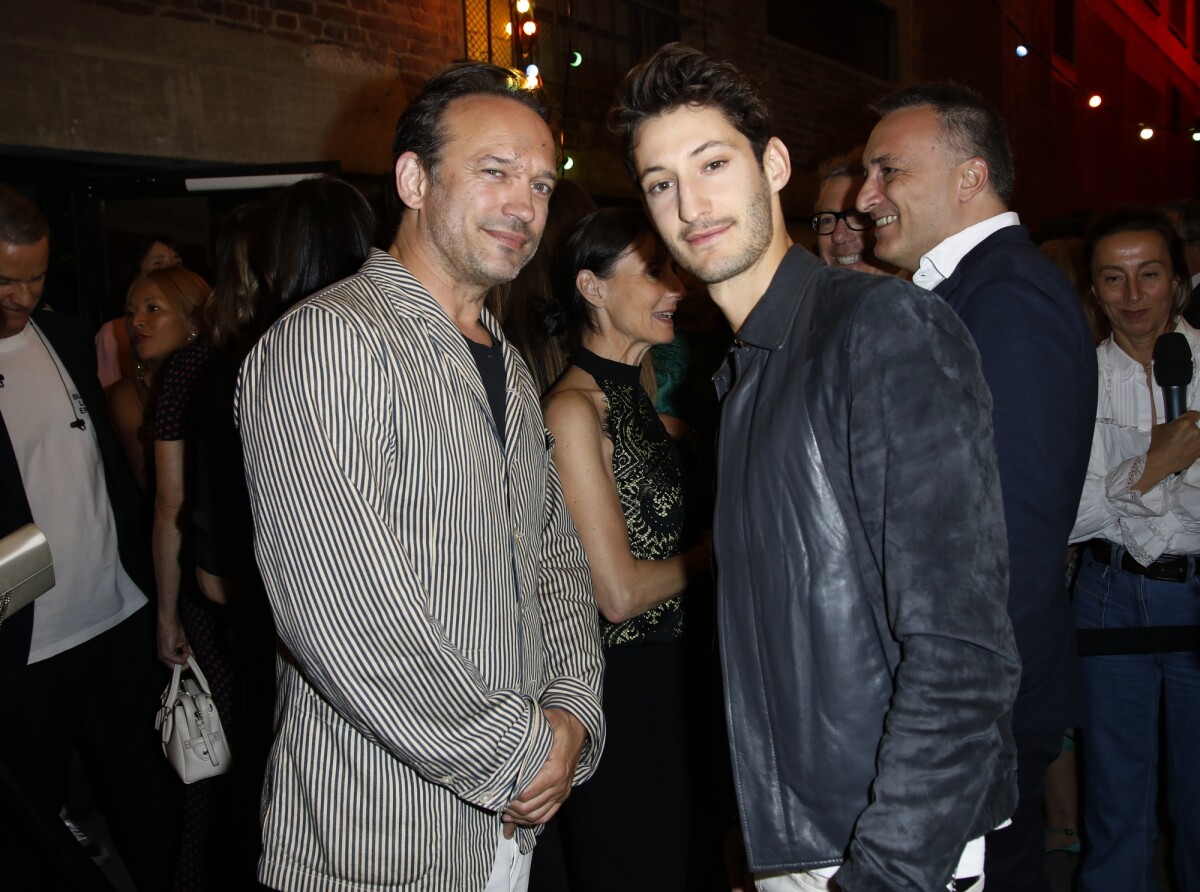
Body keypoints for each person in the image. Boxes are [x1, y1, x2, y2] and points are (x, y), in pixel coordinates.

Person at [609, 44, 1019, 892]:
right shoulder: (747, 369)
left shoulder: (879, 328)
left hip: (884, 842)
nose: (690, 203)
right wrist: (753, 833)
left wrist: (885, 872)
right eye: (660, 182)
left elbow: (961, 652)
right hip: (799, 838)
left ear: (774, 165)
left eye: (712, 163)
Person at [236, 62, 605, 892]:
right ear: (412, 178)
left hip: (509, 826)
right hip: (379, 839)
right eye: (495, 172)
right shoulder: (327, 345)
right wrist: (520, 752)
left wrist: (576, 711)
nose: (525, 206)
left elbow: (552, 557)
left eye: (542, 184)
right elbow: (342, 614)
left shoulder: (506, 364)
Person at [858, 83, 1097, 892]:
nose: (866, 197)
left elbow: (1012, 540)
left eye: (887, 171)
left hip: (980, 709)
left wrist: (957, 720)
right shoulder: (963, 293)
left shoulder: (1007, 299)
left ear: (970, 177)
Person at [0, 183, 179, 889]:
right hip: (25, 645)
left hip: (117, 616)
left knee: (149, 795)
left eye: (36, 277)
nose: (22, 296)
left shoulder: (72, 338)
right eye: (6, 280)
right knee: (31, 821)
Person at [537, 207, 711, 889]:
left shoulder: (637, 390)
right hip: (625, 689)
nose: (678, 285)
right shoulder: (573, 409)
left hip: (678, 670)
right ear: (593, 286)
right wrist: (721, 551)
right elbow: (617, 594)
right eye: (655, 270)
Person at [1068, 204, 1200, 892]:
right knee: (1115, 807)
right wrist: (1155, 465)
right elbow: (1066, 517)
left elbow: (1097, 503)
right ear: (1093, 291)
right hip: (1108, 599)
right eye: (1113, 279)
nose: (1133, 295)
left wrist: (1119, 491)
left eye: (1149, 274)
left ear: (1178, 282)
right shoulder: (1075, 378)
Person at [106, 267, 210, 492]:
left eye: (153, 308)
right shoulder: (127, 395)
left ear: (193, 323)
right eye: (130, 313)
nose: (136, 322)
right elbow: (150, 482)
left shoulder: (223, 378)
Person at [96, 233, 184, 388]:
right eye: (159, 265)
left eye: (176, 264)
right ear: (137, 273)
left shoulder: (200, 321)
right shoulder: (112, 332)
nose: (170, 272)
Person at [809, 148, 896, 276]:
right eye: (828, 220)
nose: (838, 237)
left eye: (860, 217)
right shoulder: (800, 293)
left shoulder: (926, 294)